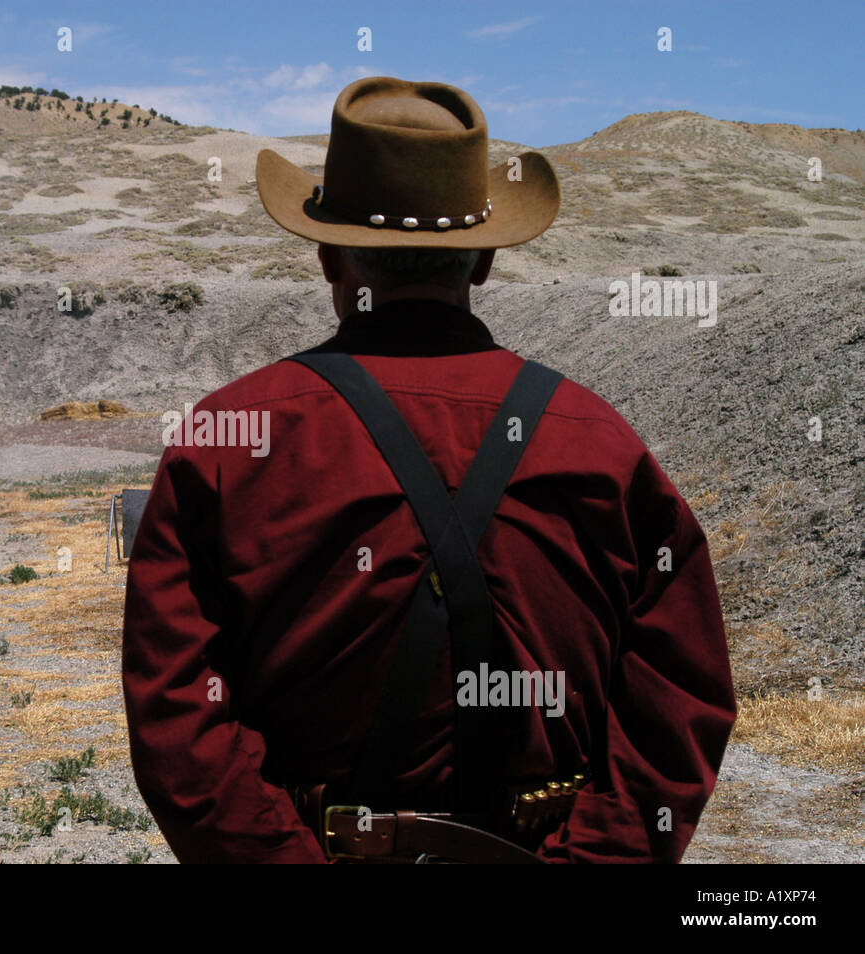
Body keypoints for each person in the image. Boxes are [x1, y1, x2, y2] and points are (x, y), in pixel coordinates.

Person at [121, 77, 736, 863]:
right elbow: (680, 697)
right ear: (482, 261)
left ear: (325, 257)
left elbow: (178, 717)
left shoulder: (224, 441)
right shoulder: (601, 444)